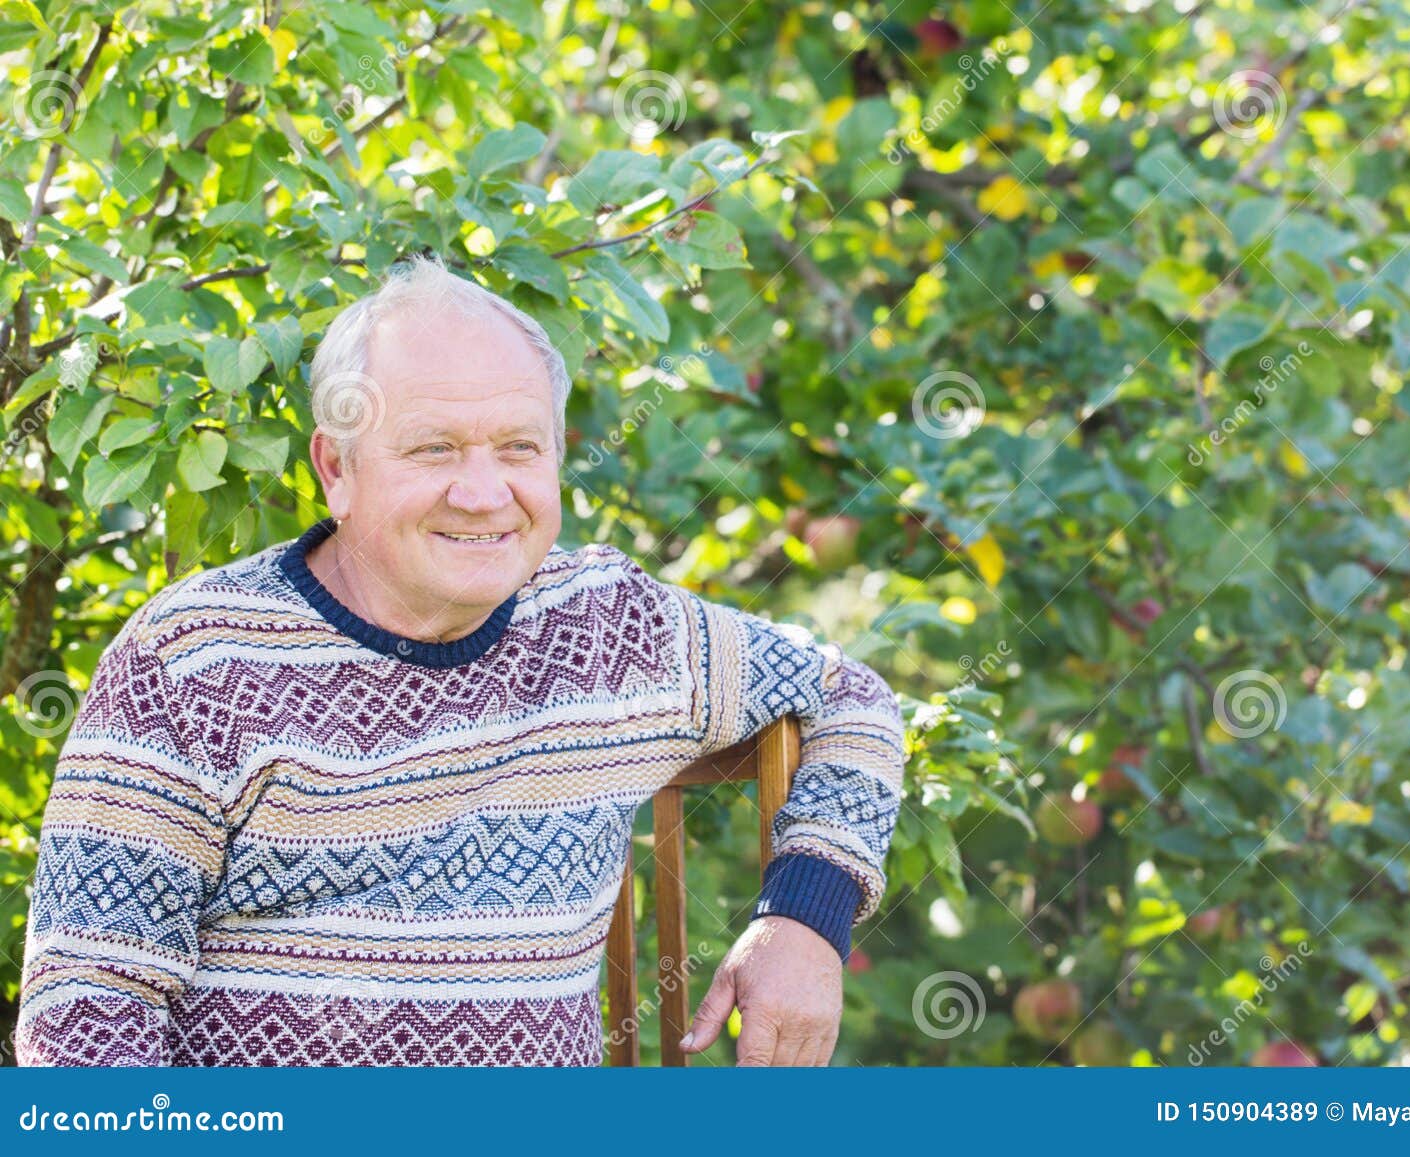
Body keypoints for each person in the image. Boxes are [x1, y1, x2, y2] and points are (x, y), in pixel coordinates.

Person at [15, 254, 906, 1067]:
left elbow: (849, 698)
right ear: (337, 468)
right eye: (434, 448)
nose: (484, 494)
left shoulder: (612, 626)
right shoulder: (190, 661)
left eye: (519, 448)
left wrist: (804, 919)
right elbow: (84, 1011)